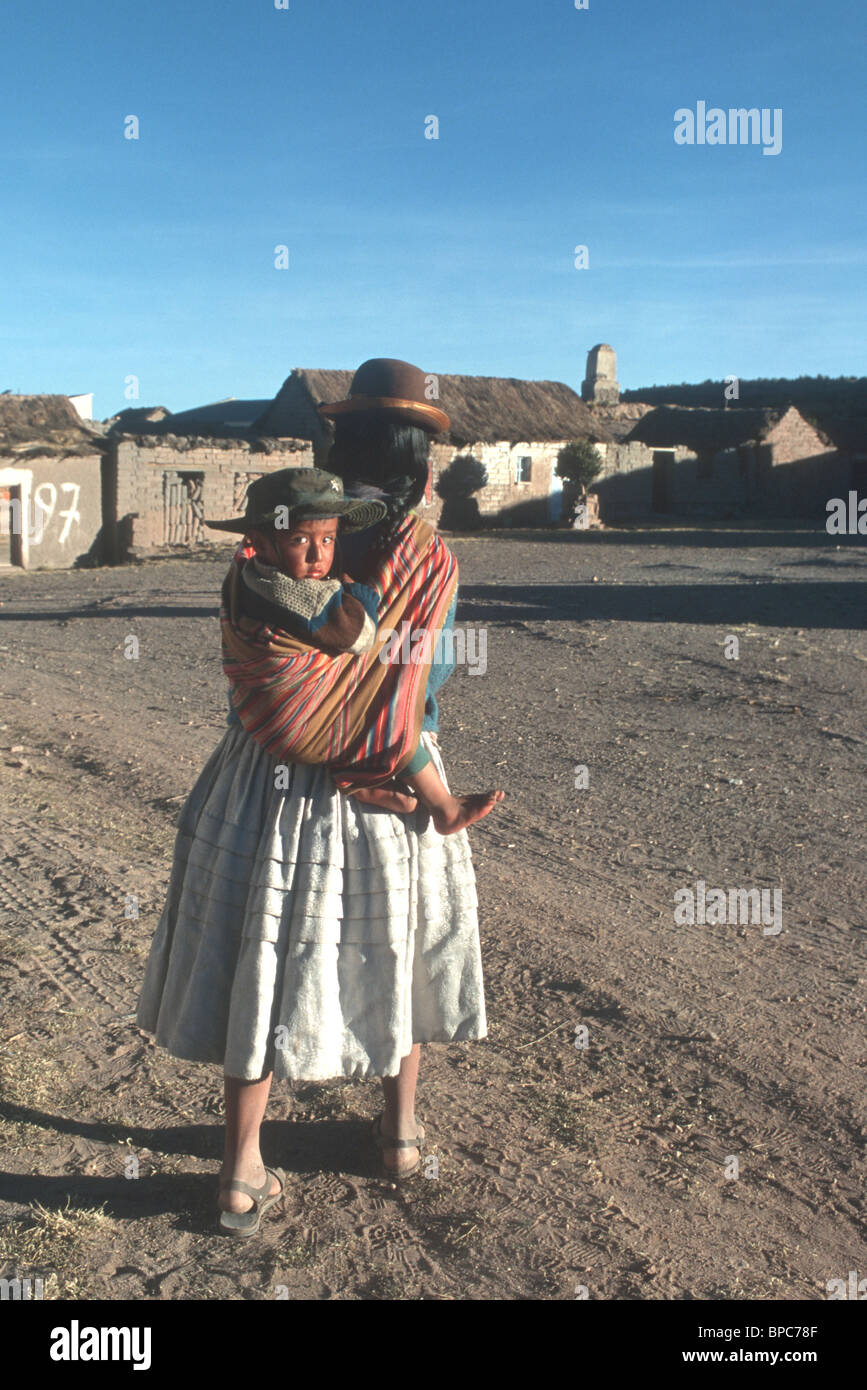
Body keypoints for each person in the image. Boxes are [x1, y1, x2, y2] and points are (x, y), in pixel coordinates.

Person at [135, 358, 500, 1236]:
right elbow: (423, 678)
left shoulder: (279, 540)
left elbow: (249, 661)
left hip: (265, 776)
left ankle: (240, 1170)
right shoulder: (424, 560)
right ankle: (399, 1136)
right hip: (389, 780)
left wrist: (307, 703)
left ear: (338, 445)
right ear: (422, 461)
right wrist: (389, 735)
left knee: (260, 959)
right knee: (398, 948)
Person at [238, 485, 503, 834]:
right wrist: (359, 594)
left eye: (328, 540)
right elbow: (360, 638)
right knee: (387, 708)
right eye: (300, 541)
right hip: (301, 724)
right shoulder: (303, 595)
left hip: (260, 727)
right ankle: (436, 803)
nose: (318, 555)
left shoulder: (247, 575)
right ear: (261, 542)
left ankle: (367, 782)